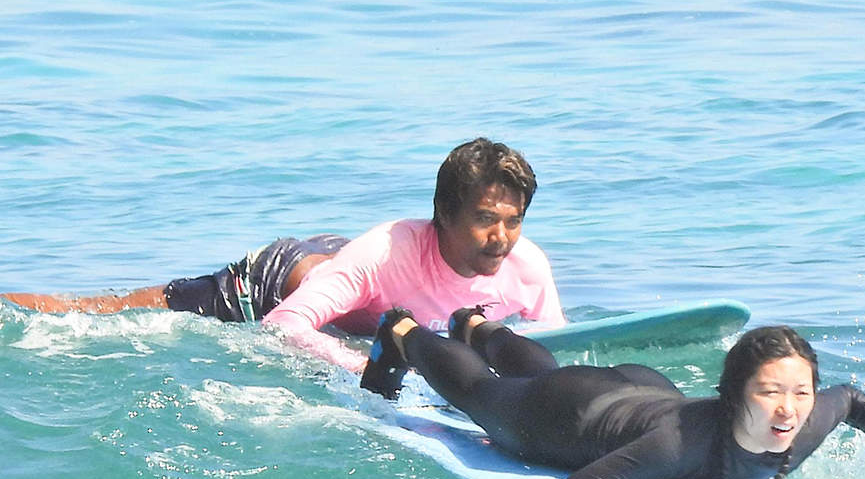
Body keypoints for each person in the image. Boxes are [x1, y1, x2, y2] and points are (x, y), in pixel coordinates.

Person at [361, 306, 865, 479]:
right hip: (570, 413)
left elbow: (853, 400)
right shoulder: (675, 447)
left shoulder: (805, 421)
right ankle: (403, 332)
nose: (789, 409)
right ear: (734, 394)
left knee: (537, 373)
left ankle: (477, 326)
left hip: (645, 390)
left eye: (800, 392)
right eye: (770, 392)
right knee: (486, 394)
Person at [1, 138, 565, 373]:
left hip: (347, 277)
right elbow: (284, 324)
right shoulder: (387, 253)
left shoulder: (527, 268)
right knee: (117, 310)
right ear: (443, 213)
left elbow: (556, 344)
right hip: (275, 280)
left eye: (514, 221)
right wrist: (365, 366)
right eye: (485, 219)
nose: (502, 237)